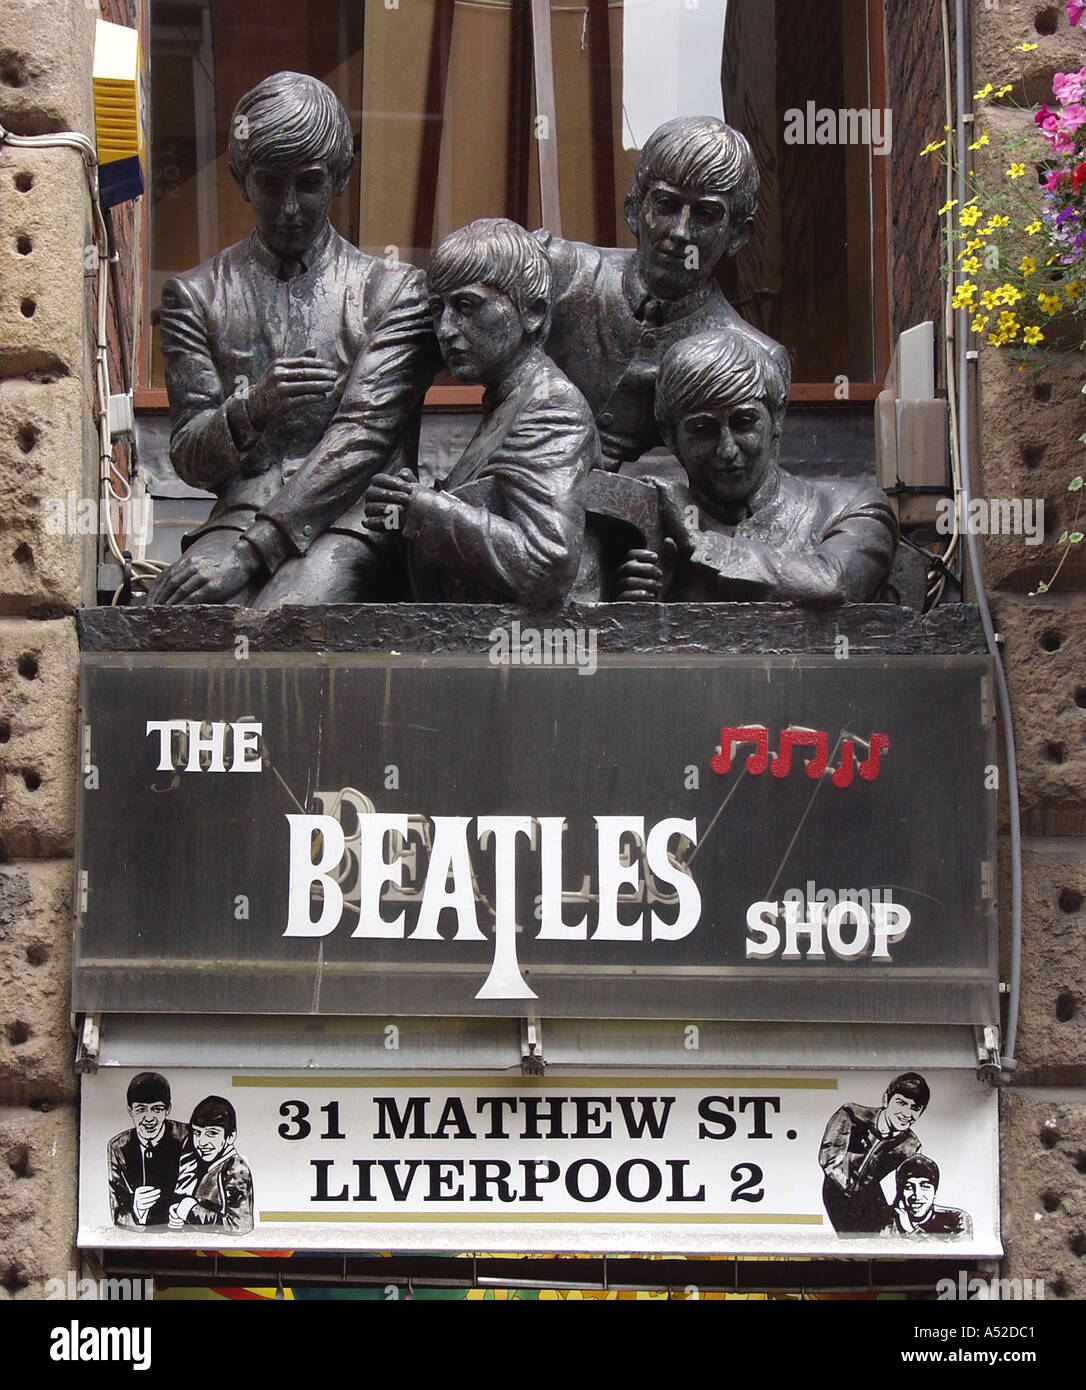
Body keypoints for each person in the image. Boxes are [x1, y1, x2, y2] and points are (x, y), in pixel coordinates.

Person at [152, 72, 439, 607]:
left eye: (307, 184)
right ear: (241, 178)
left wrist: (248, 558)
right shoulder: (196, 296)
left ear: (340, 178)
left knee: (283, 621)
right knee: (177, 621)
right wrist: (249, 408)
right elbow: (191, 459)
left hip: (353, 521)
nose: (288, 208)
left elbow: (361, 442)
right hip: (236, 520)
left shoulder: (393, 292)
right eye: (270, 183)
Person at [362, 218, 598, 605]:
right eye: (437, 311)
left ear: (533, 312)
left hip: (530, 655)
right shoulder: (507, 402)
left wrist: (420, 510)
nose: (445, 330)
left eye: (466, 306)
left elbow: (547, 563)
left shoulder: (550, 405)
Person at [536, 115, 791, 468]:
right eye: (666, 206)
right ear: (633, 209)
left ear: (737, 235)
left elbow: (741, 496)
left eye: (705, 214)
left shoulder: (757, 358)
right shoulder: (562, 275)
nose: (680, 233)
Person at [617, 332, 897, 604]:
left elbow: (834, 584)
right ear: (670, 436)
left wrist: (702, 546)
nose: (727, 449)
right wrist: (643, 608)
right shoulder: (649, 530)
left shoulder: (849, 509)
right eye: (703, 429)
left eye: (744, 422)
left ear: (776, 417)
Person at [818, 1072, 930, 1235]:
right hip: (837, 1190)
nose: (906, 1113)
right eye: (901, 1103)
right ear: (886, 1100)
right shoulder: (852, 1115)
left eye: (915, 1108)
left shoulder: (911, 1145)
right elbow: (831, 1158)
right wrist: (851, 1184)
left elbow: (903, 1185)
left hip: (870, 1196)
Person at [107, 1073, 194, 1229]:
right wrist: (135, 1207)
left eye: (157, 1109)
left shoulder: (188, 1137)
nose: (149, 1118)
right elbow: (118, 1212)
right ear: (130, 1110)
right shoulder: (118, 1146)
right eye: (141, 1109)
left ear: (168, 1110)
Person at [168, 1096, 254, 1233]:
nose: (202, 1142)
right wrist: (180, 1216)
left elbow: (240, 1225)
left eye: (211, 1133)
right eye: (197, 1133)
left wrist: (191, 1211)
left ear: (231, 1136)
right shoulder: (201, 1162)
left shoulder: (236, 1170)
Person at [882, 1155, 973, 1239]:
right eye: (909, 1187)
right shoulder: (884, 1220)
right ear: (900, 1192)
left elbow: (955, 1252)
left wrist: (911, 1230)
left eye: (925, 1187)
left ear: (935, 1192)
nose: (917, 1195)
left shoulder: (957, 1220)